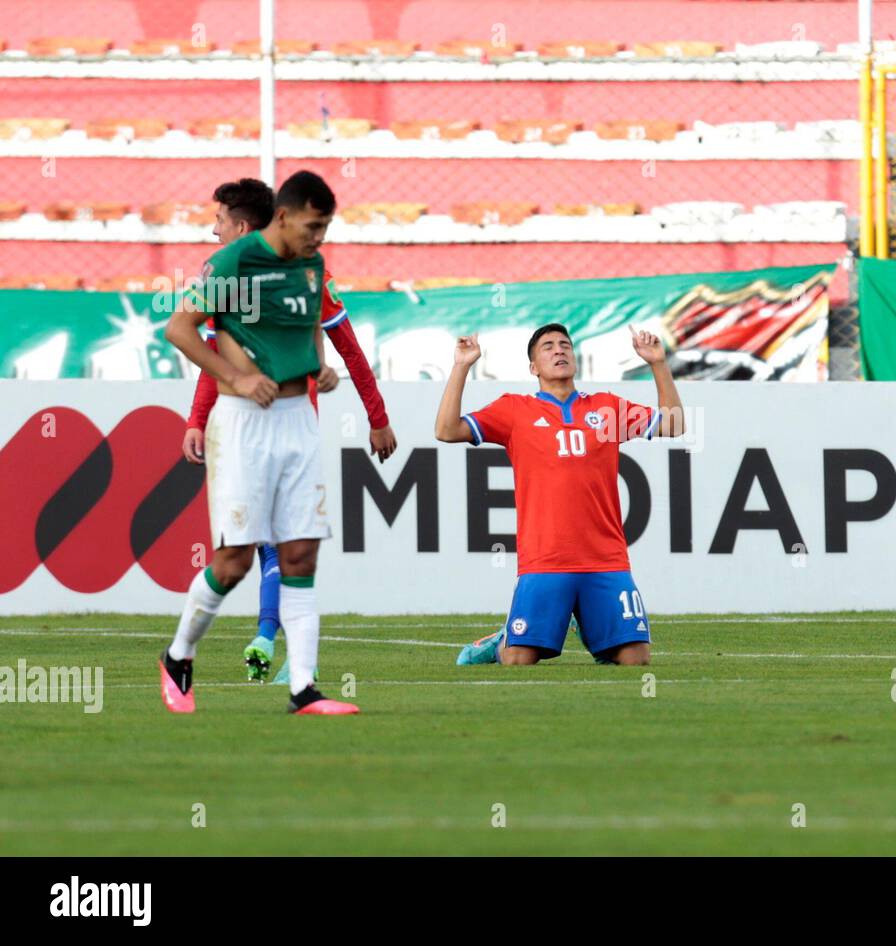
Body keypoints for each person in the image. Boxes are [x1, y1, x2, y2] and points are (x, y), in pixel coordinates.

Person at [179, 177, 397, 683]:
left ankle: (292, 664)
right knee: (248, 551)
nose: (213, 231)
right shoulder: (229, 277)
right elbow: (210, 352)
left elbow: (346, 348)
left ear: (241, 225)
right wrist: (198, 418)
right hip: (241, 425)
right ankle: (245, 645)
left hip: (292, 422)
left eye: (218, 222)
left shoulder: (308, 272)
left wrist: (377, 415)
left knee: (289, 547)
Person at [437, 323, 684, 665]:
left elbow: (673, 424)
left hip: (605, 559)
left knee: (635, 660)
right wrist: (462, 366)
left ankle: (593, 629)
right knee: (519, 660)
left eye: (565, 345)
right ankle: (500, 643)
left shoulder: (606, 409)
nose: (559, 350)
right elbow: (446, 430)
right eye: (548, 346)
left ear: (575, 359)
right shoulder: (514, 411)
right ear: (533, 368)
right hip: (545, 560)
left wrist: (658, 363)